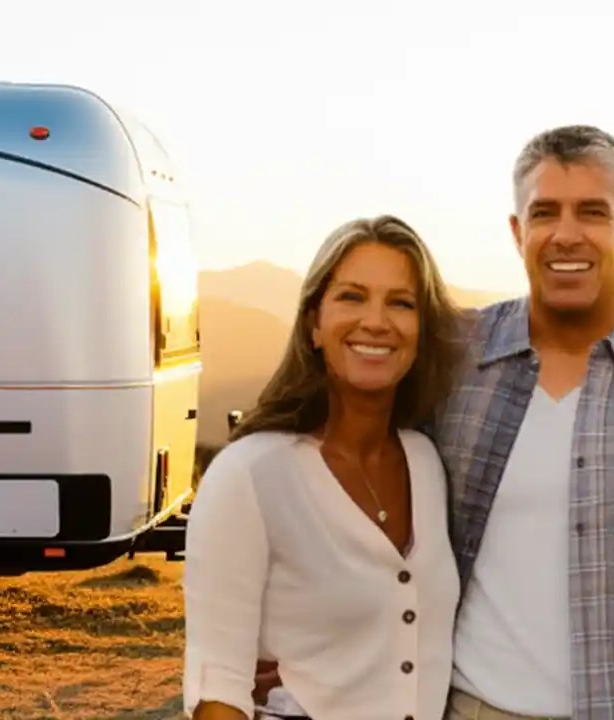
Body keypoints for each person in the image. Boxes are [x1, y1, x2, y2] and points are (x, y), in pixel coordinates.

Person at [256, 125, 614, 719]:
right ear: (517, 231)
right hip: (467, 707)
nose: (566, 234)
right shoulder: (451, 360)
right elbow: (341, 463)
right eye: (544, 213)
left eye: (592, 212)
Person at [181, 215, 468, 720]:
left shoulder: (425, 462)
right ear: (314, 324)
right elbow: (217, 687)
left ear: (422, 332)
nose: (376, 321)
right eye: (352, 297)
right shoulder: (248, 475)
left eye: (401, 303)